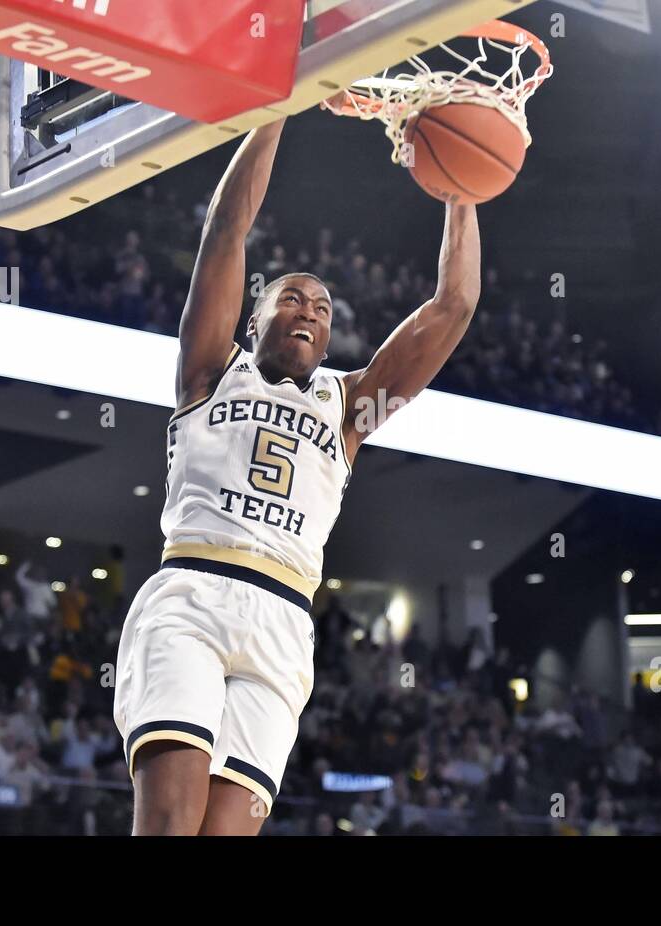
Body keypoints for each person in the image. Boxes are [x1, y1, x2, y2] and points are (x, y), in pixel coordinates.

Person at [113, 116, 481, 836]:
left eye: (322, 307)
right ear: (254, 319)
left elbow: (454, 305)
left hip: (284, 624)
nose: (310, 310)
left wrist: (461, 189)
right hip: (193, 596)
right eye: (291, 298)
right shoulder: (210, 370)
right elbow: (227, 226)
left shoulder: (349, 406)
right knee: (168, 822)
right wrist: (280, 102)